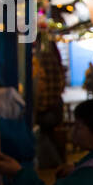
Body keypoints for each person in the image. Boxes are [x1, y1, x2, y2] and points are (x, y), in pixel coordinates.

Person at [34, 36, 67, 166]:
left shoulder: (40, 61)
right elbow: (60, 84)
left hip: (47, 108)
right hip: (55, 106)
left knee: (45, 134)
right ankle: (56, 161)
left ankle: (54, 162)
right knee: (50, 135)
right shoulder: (53, 60)